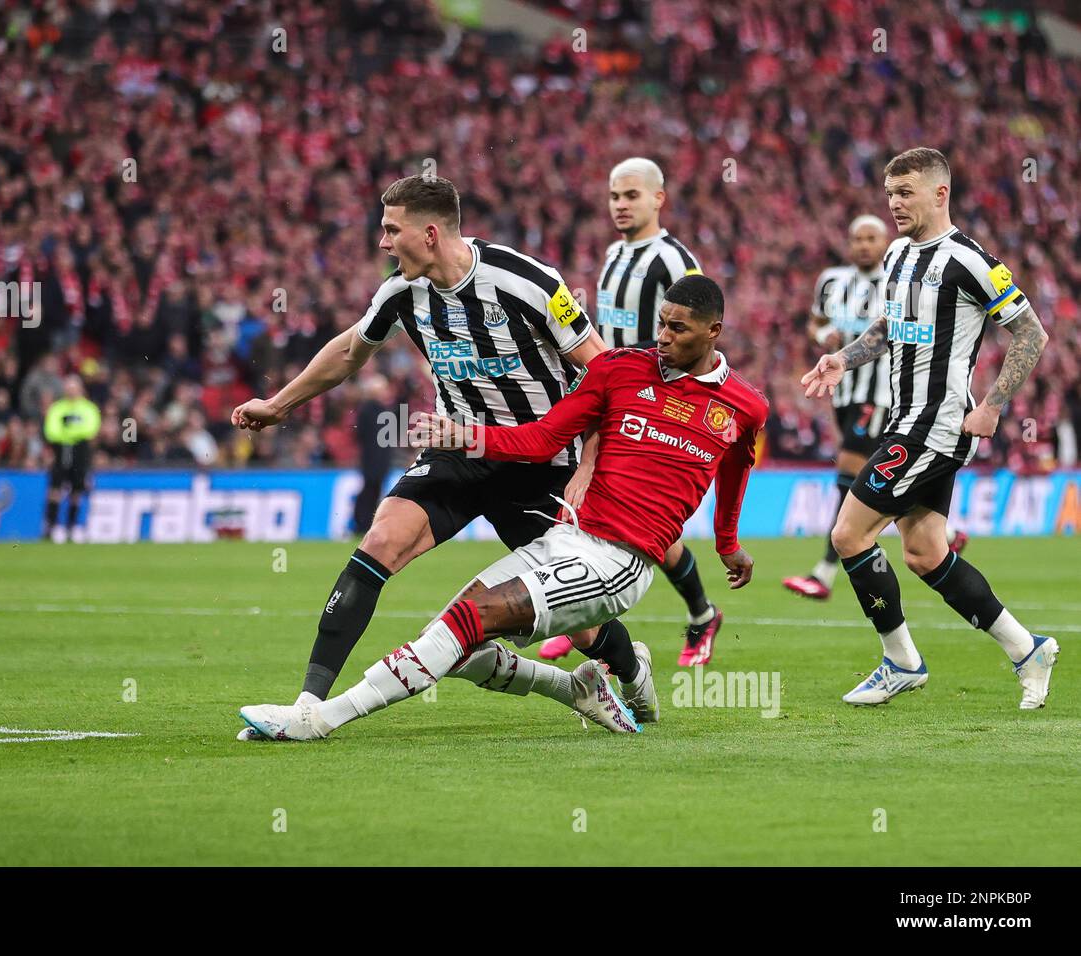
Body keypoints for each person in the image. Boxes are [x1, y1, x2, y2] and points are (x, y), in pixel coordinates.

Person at [239, 275, 768, 741]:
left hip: (620, 561)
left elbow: (735, 470)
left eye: (678, 329)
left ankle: (319, 720)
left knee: (468, 621)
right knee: (451, 641)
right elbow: (542, 439)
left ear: (713, 331)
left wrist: (728, 544)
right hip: (567, 537)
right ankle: (573, 686)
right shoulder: (620, 370)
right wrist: (468, 436)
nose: (664, 337)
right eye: (662, 324)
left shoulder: (745, 406)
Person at [232, 175, 651, 740]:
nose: (382, 243)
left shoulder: (528, 282)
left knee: (578, 624)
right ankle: (308, 704)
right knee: (381, 539)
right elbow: (352, 350)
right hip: (460, 451)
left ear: (429, 233)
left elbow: (606, 375)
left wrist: (588, 466)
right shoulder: (400, 292)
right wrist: (280, 404)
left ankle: (626, 672)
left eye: (390, 230)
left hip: (543, 461)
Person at [801, 147, 1059, 709]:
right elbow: (890, 326)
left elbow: (1032, 334)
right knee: (924, 553)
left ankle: (901, 662)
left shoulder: (969, 260)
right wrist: (844, 358)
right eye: (890, 193)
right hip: (906, 421)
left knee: (848, 534)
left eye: (906, 193)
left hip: (934, 428)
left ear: (940, 193)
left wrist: (991, 405)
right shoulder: (896, 254)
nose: (894, 203)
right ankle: (1027, 648)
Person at [541, 156, 723, 666]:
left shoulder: (673, 261)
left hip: (653, 411)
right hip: (613, 400)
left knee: (643, 530)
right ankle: (586, 619)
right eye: (615, 196)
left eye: (632, 196)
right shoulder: (612, 256)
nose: (621, 205)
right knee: (597, 516)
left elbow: (694, 335)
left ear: (658, 199)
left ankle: (700, 615)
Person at [784, 215, 964, 601]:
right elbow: (815, 320)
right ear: (849, 243)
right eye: (858, 239)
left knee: (850, 468)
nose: (864, 245)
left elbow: (910, 330)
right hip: (843, 391)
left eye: (871, 238)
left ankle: (824, 572)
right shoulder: (832, 280)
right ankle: (944, 532)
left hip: (883, 393)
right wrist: (821, 335)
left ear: (883, 241)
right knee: (870, 472)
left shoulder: (898, 278)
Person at [43, 374, 101, 543]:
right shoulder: (58, 408)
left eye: (74, 388)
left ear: (80, 389)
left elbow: (91, 429)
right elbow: (51, 431)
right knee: (55, 488)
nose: (71, 391)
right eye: (69, 388)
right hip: (60, 451)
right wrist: (72, 434)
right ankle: (51, 526)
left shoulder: (88, 408)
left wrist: (67, 433)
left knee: (77, 489)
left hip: (80, 451)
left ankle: (71, 526)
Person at [353, 373, 395, 535]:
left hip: (378, 459)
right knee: (370, 490)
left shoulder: (379, 410)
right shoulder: (369, 410)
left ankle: (365, 524)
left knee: (373, 490)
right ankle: (361, 524)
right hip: (372, 459)